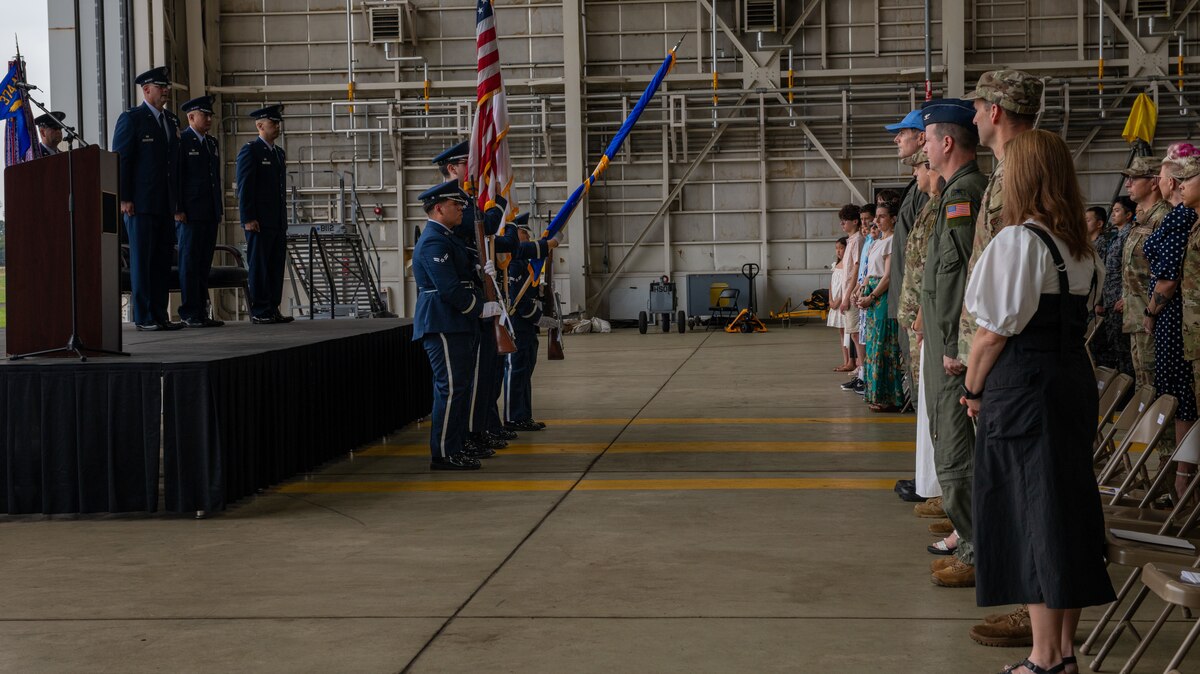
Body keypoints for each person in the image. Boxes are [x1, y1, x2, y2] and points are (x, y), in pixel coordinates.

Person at [961, 129, 1115, 674]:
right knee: (1064, 507)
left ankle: (1043, 658)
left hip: (1024, 386)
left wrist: (973, 389)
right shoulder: (1081, 248)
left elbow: (992, 333)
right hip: (1071, 379)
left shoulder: (1019, 242)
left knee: (1032, 513)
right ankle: (1063, 653)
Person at [433, 140, 560, 449]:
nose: (475, 170)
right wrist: (500, 189)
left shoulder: (463, 203)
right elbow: (489, 226)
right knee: (464, 383)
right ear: (452, 168)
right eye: (469, 164)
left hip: (481, 305)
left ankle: (480, 430)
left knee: (485, 375)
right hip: (465, 310)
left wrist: (541, 247)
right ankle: (465, 438)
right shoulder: (449, 206)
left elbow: (500, 243)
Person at [919, 98, 987, 589]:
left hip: (953, 346)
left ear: (946, 142)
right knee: (950, 446)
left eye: (926, 138)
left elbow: (962, 275)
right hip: (943, 338)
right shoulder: (953, 193)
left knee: (957, 453)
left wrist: (955, 345)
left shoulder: (966, 194)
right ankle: (972, 541)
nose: (922, 145)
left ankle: (977, 549)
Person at [412, 180, 500, 470]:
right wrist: (479, 308)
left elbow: (460, 277)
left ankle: (457, 445)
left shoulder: (448, 238)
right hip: (444, 322)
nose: (461, 208)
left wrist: (480, 271)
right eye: (455, 204)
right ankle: (444, 453)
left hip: (456, 322)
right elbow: (448, 288)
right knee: (451, 388)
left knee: (460, 387)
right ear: (438, 208)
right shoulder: (435, 240)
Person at [1145, 149, 1200, 498]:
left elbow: (1170, 279)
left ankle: (1183, 478)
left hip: (1179, 321)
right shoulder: (1184, 218)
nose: (1177, 184)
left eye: (1184, 177)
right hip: (1181, 325)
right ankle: (1181, 477)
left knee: (1183, 399)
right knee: (1178, 396)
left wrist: (1151, 311)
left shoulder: (1182, 219)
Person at [111, 66, 181, 331]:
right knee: (142, 261)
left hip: (164, 204)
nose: (165, 92)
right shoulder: (132, 119)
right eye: (161, 87)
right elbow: (122, 161)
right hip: (139, 204)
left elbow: (174, 165)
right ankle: (144, 317)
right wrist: (124, 197)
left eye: (167, 88)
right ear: (146, 89)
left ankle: (160, 314)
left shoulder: (172, 121)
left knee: (162, 261)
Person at [236, 104, 293, 324]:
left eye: (278, 123)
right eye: (273, 123)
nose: (277, 126)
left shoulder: (278, 153)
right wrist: (248, 218)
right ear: (260, 125)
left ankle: (272, 307)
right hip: (258, 221)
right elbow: (245, 187)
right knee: (259, 265)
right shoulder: (251, 150)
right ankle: (260, 309)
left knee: (275, 266)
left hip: (276, 220)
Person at [887, 110, 932, 390]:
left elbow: (928, 254)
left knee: (922, 387)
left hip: (917, 310)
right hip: (909, 306)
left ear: (922, 137)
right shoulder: (916, 186)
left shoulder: (927, 187)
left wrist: (919, 313)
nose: (896, 139)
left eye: (902, 133)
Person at [173, 95, 224, 328]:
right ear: (191, 117)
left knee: (204, 264)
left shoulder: (211, 143)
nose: (209, 119)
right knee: (189, 263)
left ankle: (202, 311)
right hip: (190, 213)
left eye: (210, 115)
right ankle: (189, 311)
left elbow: (215, 180)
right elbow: (177, 177)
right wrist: (178, 208)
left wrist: (218, 209)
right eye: (205, 115)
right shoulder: (182, 141)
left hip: (208, 212)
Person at [503, 218, 558, 431]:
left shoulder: (526, 264)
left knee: (525, 372)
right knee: (516, 371)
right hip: (517, 325)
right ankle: (512, 417)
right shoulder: (514, 264)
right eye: (523, 239)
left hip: (527, 328)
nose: (527, 243)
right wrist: (538, 317)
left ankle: (523, 415)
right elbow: (517, 300)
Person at [1122, 156, 1172, 390]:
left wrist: (1151, 312)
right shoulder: (1143, 218)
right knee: (1144, 386)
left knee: (1155, 388)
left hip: (1154, 318)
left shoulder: (1164, 218)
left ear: (1154, 182)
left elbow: (1168, 275)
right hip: (1137, 317)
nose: (1127, 184)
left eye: (1133, 178)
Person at [859, 201, 905, 412]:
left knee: (882, 346)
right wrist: (860, 289)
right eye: (876, 216)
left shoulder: (893, 241)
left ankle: (887, 396)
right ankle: (874, 393)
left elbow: (887, 276)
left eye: (882, 216)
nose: (876, 220)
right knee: (872, 346)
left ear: (893, 218)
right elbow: (871, 271)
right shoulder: (878, 240)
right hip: (872, 292)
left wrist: (872, 296)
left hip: (882, 296)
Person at [1093, 196, 1136, 377]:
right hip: (1111, 298)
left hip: (1120, 300)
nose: (1113, 214)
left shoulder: (1129, 235)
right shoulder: (1116, 235)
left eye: (1117, 210)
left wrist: (1125, 297)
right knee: (1115, 348)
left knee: (1124, 351)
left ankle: (1127, 391)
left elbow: (1129, 270)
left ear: (1129, 215)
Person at [838, 205, 864, 391]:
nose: (842, 224)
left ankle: (862, 372)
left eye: (845, 221)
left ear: (855, 221)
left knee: (857, 334)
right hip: (849, 291)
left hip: (853, 293)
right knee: (854, 334)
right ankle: (861, 371)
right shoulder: (850, 241)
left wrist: (848, 295)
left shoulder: (858, 241)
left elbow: (856, 269)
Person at [829, 236, 851, 371]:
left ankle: (851, 361)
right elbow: (831, 285)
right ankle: (845, 360)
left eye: (841, 248)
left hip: (843, 302)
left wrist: (838, 300)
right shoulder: (835, 265)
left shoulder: (848, 266)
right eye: (836, 248)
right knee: (842, 333)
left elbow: (847, 285)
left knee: (848, 333)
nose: (838, 251)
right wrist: (830, 300)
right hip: (835, 304)